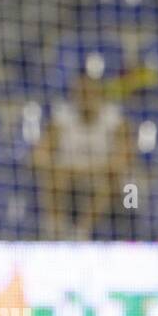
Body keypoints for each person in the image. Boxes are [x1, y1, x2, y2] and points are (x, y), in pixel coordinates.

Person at [32, 75, 136, 241]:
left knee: (110, 181)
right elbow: (39, 156)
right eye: (81, 93)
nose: (86, 98)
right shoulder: (61, 119)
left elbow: (121, 162)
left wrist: (84, 170)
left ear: (99, 94)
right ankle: (54, 231)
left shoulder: (116, 120)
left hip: (100, 178)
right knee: (54, 177)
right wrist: (60, 168)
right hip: (68, 178)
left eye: (90, 93)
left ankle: (81, 232)